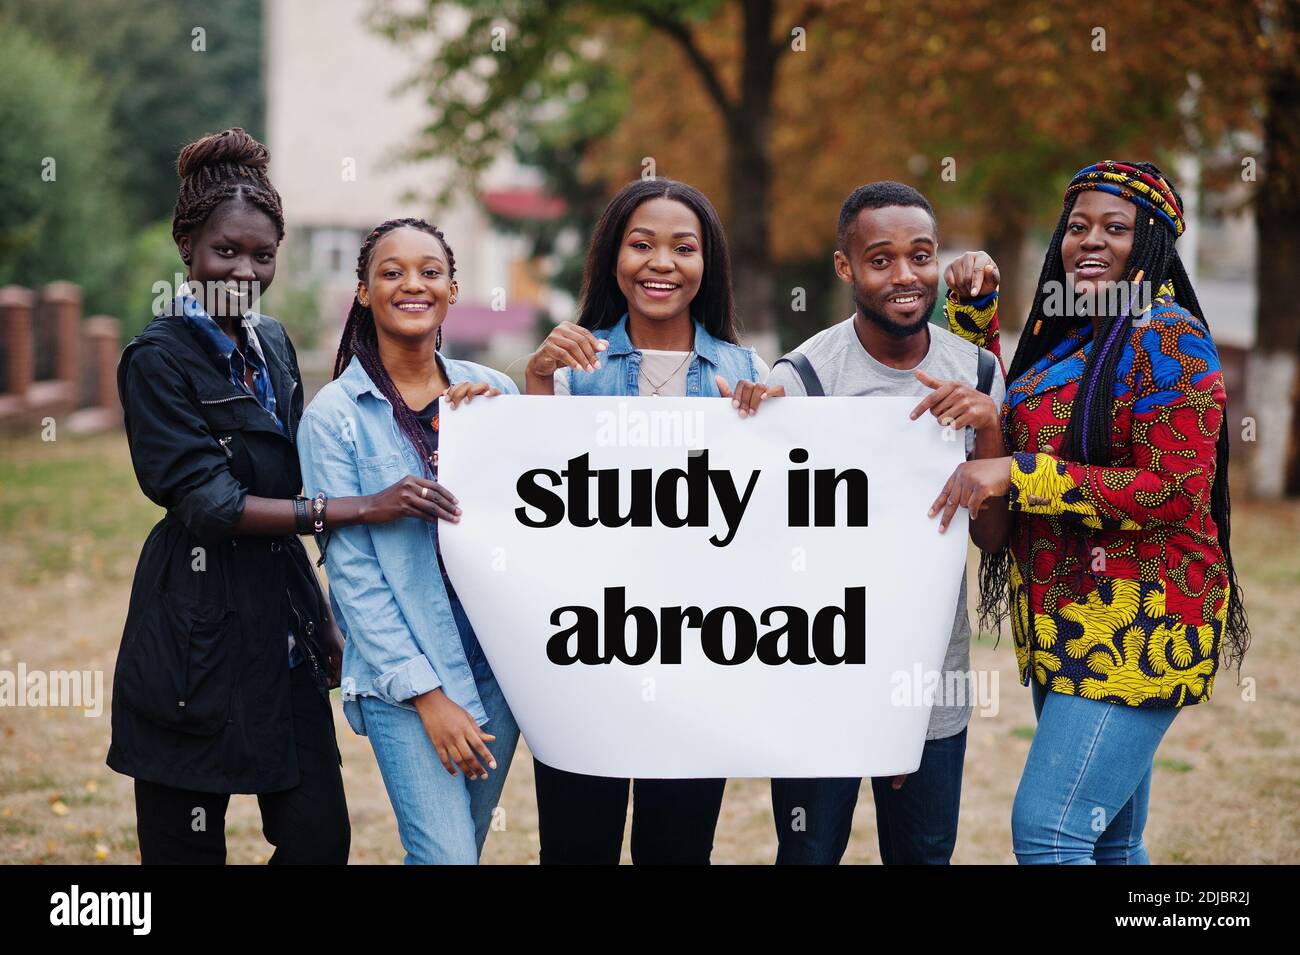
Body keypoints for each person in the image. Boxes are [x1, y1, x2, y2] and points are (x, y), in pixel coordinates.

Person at [933, 160, 1249, 864]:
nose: (1091, 241)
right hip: (1065, 621)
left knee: (1050, 833)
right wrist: (975, 319)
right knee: (1110, 839)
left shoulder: (1168, 338)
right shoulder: (1072, 336)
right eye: (1077, 227)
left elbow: (1171, 489)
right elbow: (1011, 424)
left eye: (1115, 227)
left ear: (1153, 243)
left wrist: (1020, 476)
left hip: (1144, 622)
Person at [110, 128, 412, 864]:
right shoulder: (157, 359)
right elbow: (208, 504)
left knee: (319, 840)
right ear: (188, 245)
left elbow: (294, 469)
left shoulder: (273, 343)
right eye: (226, 251)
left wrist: (326, 619)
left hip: (283, 627)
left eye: (263, 254)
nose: (244, 270)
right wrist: (359, 507)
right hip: (193, 630)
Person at [522, 178, 781, 863]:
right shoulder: (575, 368)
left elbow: (768, 519)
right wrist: (539, 386)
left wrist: (765, 427)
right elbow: (535, 504)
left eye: (683, 247)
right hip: (587, 650)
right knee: (579, 847)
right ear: (614, 257)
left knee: (678, 848)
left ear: (708, 265)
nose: (661, 262)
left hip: (697, 654)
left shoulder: (745, 371)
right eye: (642, 244)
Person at [760, 181, 1004, 864]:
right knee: (807, 855)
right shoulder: (804, 376)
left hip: (931, 677)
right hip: (823, 672)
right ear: (845, 268)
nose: (905, 275)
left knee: (923, 856)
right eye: (881, 259)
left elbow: (992, 539)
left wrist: (988, 431)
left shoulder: (978, 371)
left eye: (921, 256)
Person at [297, 218, 519, 864]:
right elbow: (354, 577)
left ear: (452, 287)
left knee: (458, 854)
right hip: (403, 675)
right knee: (446, 859)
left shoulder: (490, 391)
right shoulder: (335, 417)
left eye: (429, 270)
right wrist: (429, 697)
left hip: (493, 667)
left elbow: (529, 522)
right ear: (363, 292)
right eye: (391, 272)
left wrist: (500, 429)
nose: (411, 283)